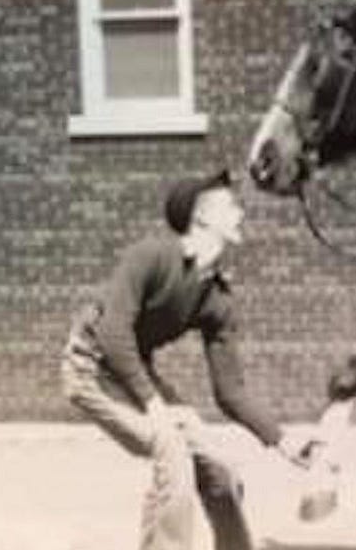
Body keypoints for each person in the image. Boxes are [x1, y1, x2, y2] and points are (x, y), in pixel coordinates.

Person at [60, 169, 313, 550]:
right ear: (202, 217)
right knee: (172, 449)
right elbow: (113, 332)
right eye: (232, 206)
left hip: (134, 372)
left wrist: (281, 440)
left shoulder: (218, 299)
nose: (241, 213)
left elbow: (230, 392)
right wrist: (153, 403)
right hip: (90, 367)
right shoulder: (152, 256)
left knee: (219, 466)